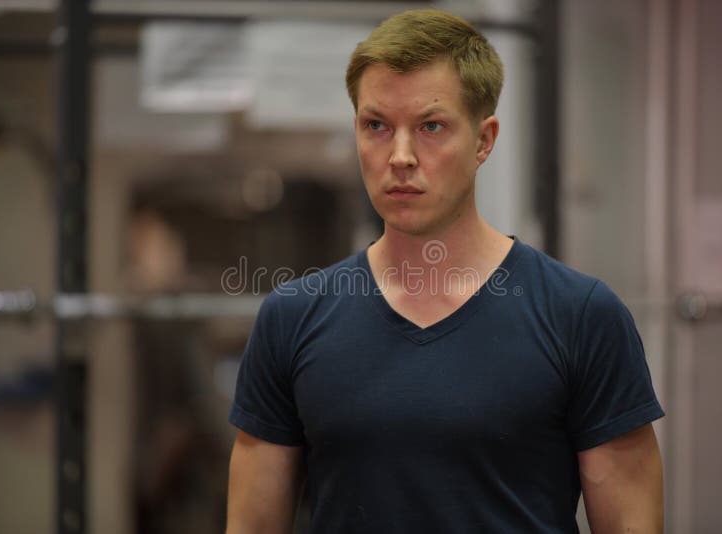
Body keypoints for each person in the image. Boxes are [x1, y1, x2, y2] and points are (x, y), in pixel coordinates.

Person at [226, 9, 664, 534]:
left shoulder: (581, 316)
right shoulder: (291, 319)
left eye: (431, 127)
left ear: (484, 140)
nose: (401, 156)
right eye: (376, 126)